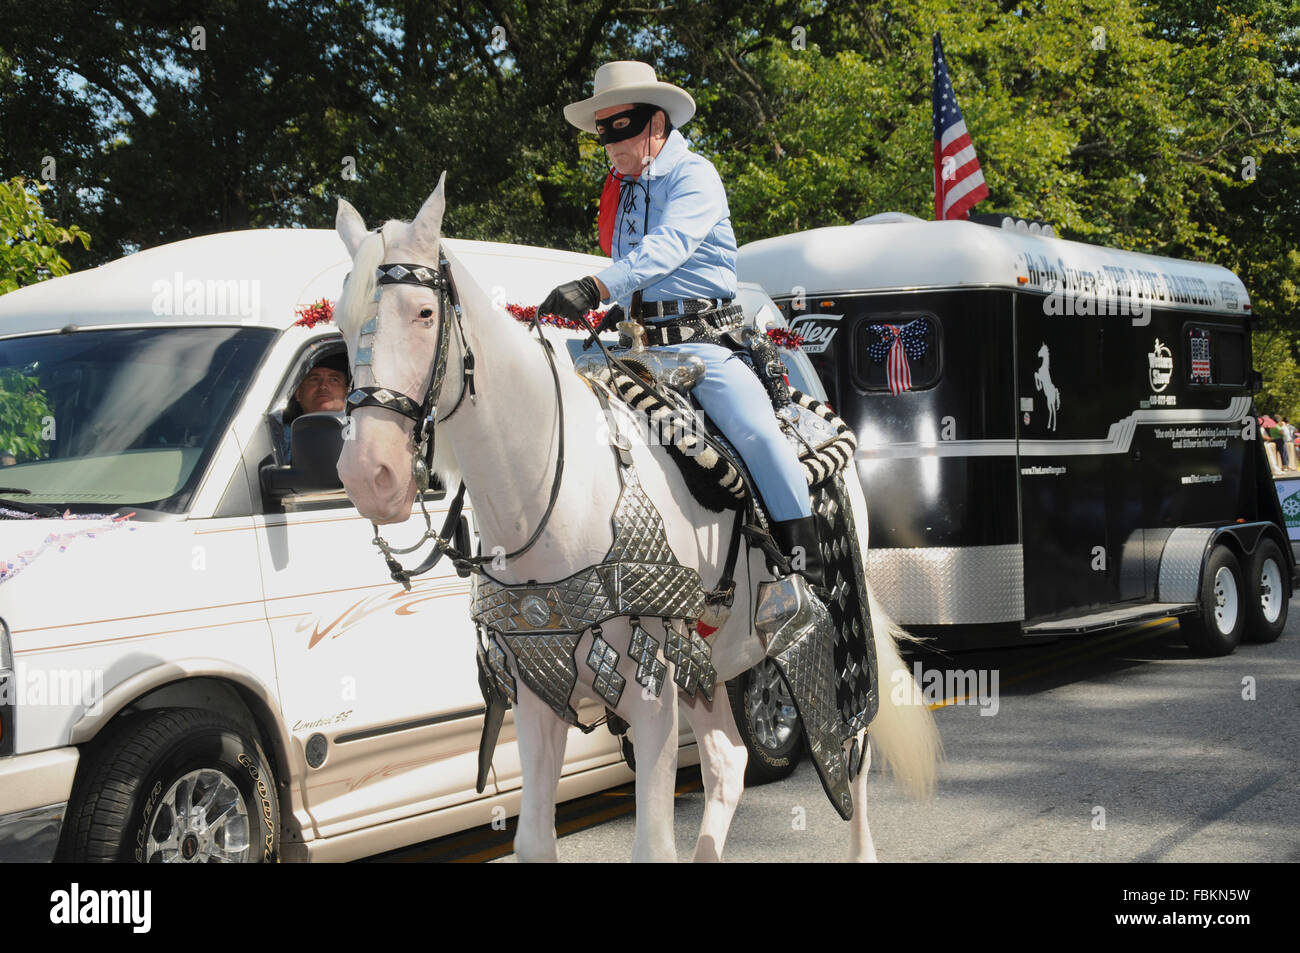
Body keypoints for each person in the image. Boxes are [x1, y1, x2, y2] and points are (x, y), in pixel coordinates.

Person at [537, 61, 825, 587]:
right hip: (633, 344)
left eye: (619, 127)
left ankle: (804, 564)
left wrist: (596, 287)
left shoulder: (697, 174)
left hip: (703, 344)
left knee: (755, 432)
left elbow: (666, 249)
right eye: (602, 131)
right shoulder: (625, 190)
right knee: (549, 394)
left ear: (656, 124)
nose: (609, 144)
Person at [281, 352, 349, 461]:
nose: (323, 386)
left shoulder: (362, 433)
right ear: (298, 393)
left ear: (347, 392)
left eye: (334, 380)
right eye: (314, 379)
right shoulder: (278, 438)